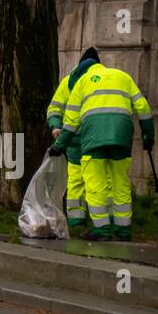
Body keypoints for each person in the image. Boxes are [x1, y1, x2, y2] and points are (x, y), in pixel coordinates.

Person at [50, 48, 154, 241]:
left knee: (95, 184)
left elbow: (71, 120)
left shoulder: (80, 82)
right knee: (120, 183)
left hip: (92, 139)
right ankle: (124, 230)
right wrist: (148, 135)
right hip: (122, 137)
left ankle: (102, 230)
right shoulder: (123, 76)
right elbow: (143, 107)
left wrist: (59, 145)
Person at [46, 49, 97, 234]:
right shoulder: (100, 80)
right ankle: (103, 223)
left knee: (75, 182)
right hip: (94, 140)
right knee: (97, 181)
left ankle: (77, 223)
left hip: (72, 139)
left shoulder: (68, 81)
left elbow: (54, 108)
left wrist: (55, 127)